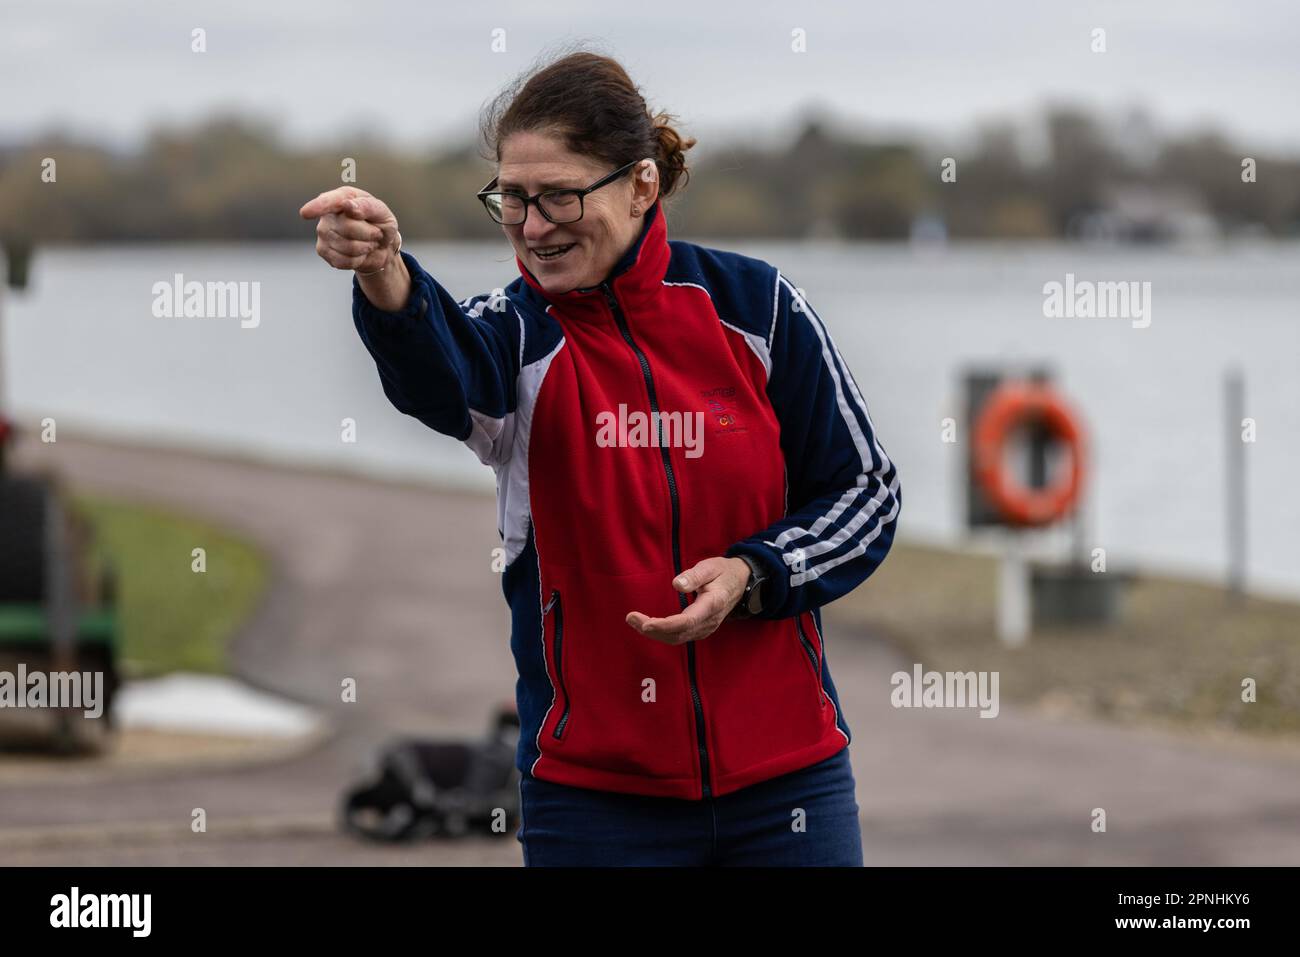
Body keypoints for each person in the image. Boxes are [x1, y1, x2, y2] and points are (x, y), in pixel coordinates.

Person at [300, 49, 901, 867]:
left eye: (559, 196)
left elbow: (864, 490)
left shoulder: (757, 309)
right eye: (511, 199)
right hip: (595, 805)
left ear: (641, 186)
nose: (533, 227)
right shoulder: (516, 336)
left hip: (790, 786)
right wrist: (386, 272)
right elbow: (441, 374)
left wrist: (754, 572)